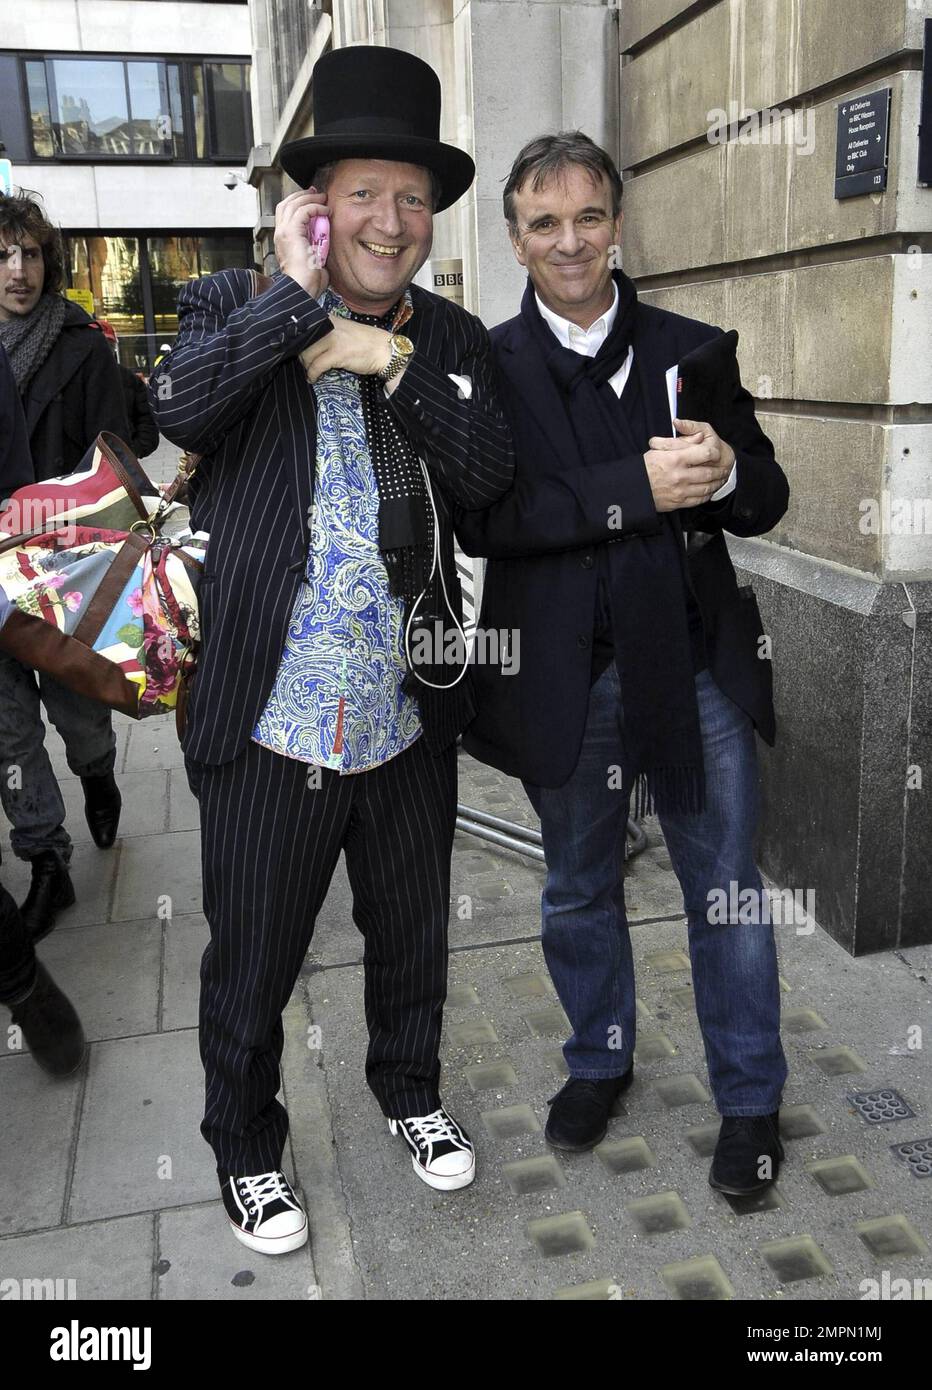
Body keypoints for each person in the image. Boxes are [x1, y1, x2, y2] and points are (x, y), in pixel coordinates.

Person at [150, 45, 514, 1254]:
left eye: (411, 197)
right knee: (251, 958)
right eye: (362, 193)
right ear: (317, 206)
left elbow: (486, 480)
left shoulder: (453, 338)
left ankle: (407, 1089)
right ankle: (244, 1142)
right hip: (267, 718)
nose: (390, 220)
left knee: (412, 933)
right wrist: (297, 304)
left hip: (406, 710)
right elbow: (181, 408)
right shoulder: (234, 306)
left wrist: (388, 362)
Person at [455, 131, 790, 1197]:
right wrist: (634, 489)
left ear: (615, 222)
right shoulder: (487, 369)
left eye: (586, 216)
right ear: (514, 238)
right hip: (563, 676)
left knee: (726, 894)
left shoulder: (694, 349)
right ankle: (598, 1057)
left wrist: (730, 465)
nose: (568, 240)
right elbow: (487, 520)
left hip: (690, 668)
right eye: (542, 222)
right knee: (574, 891)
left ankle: (747, 1101)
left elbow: (766, 498)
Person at [0, 191, 126, 943]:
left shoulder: (82, 345)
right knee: (10, 730)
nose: (18, 269)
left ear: (50, 261)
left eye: (31, 253)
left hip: (62, 565)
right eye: (4, 254)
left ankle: (98, 772)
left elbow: (111, 454)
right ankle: (47, 858)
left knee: (76, 710)